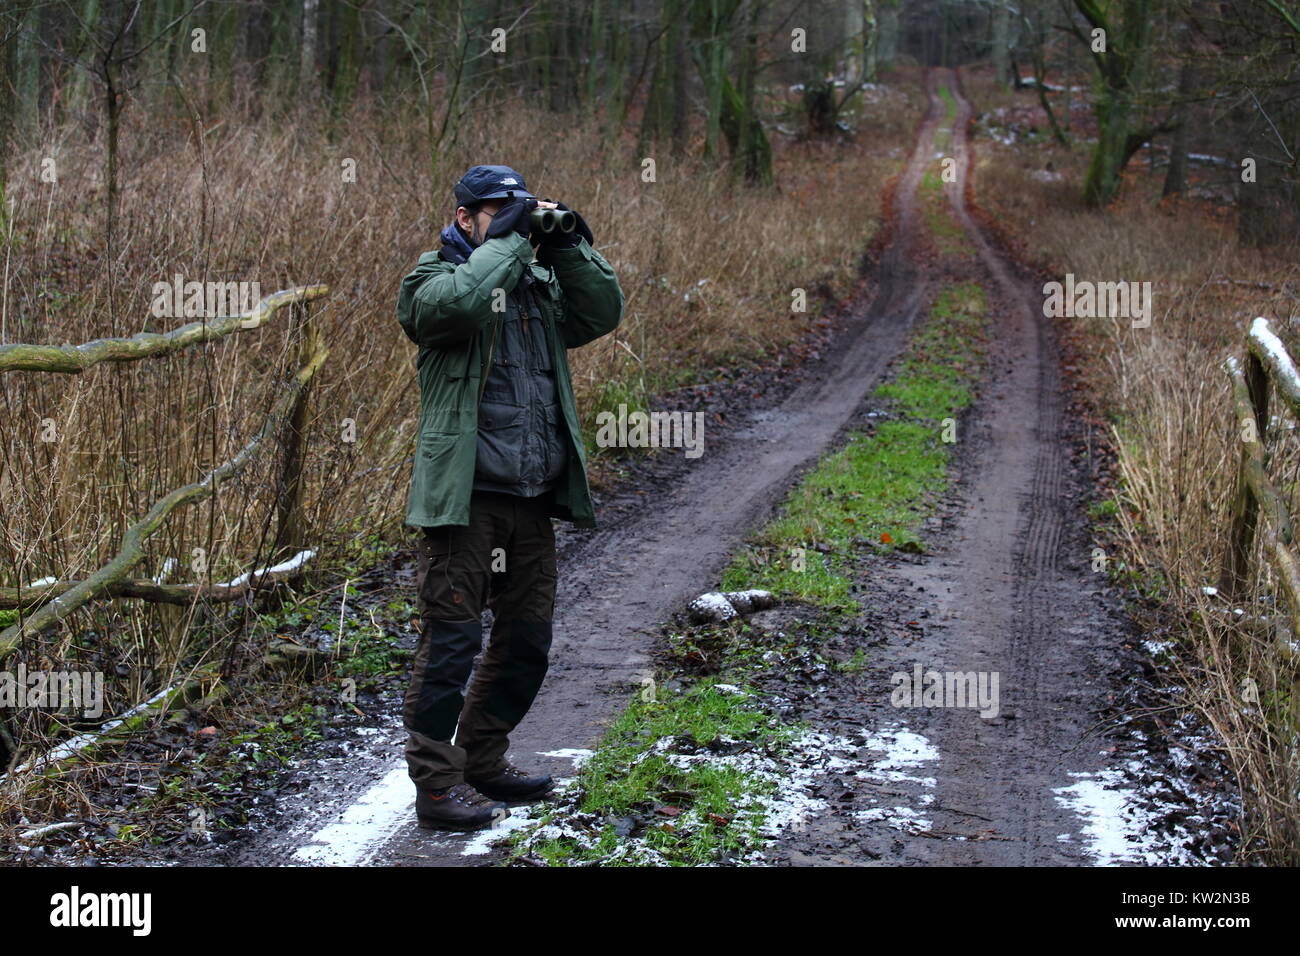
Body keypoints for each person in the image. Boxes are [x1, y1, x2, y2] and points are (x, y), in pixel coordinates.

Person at [395, 164, 624, 831]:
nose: (515, 222)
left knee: (527, 640)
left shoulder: (533, 285)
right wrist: (509, 243)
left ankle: (484, 761)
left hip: (530, 498)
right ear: (465, 218)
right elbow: (458, 306)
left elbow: (602, 310)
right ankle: (436, 788)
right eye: (500, 211)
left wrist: (568, 241)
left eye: (520, 209)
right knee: (452, 641)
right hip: (464, 498)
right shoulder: (430, 278)